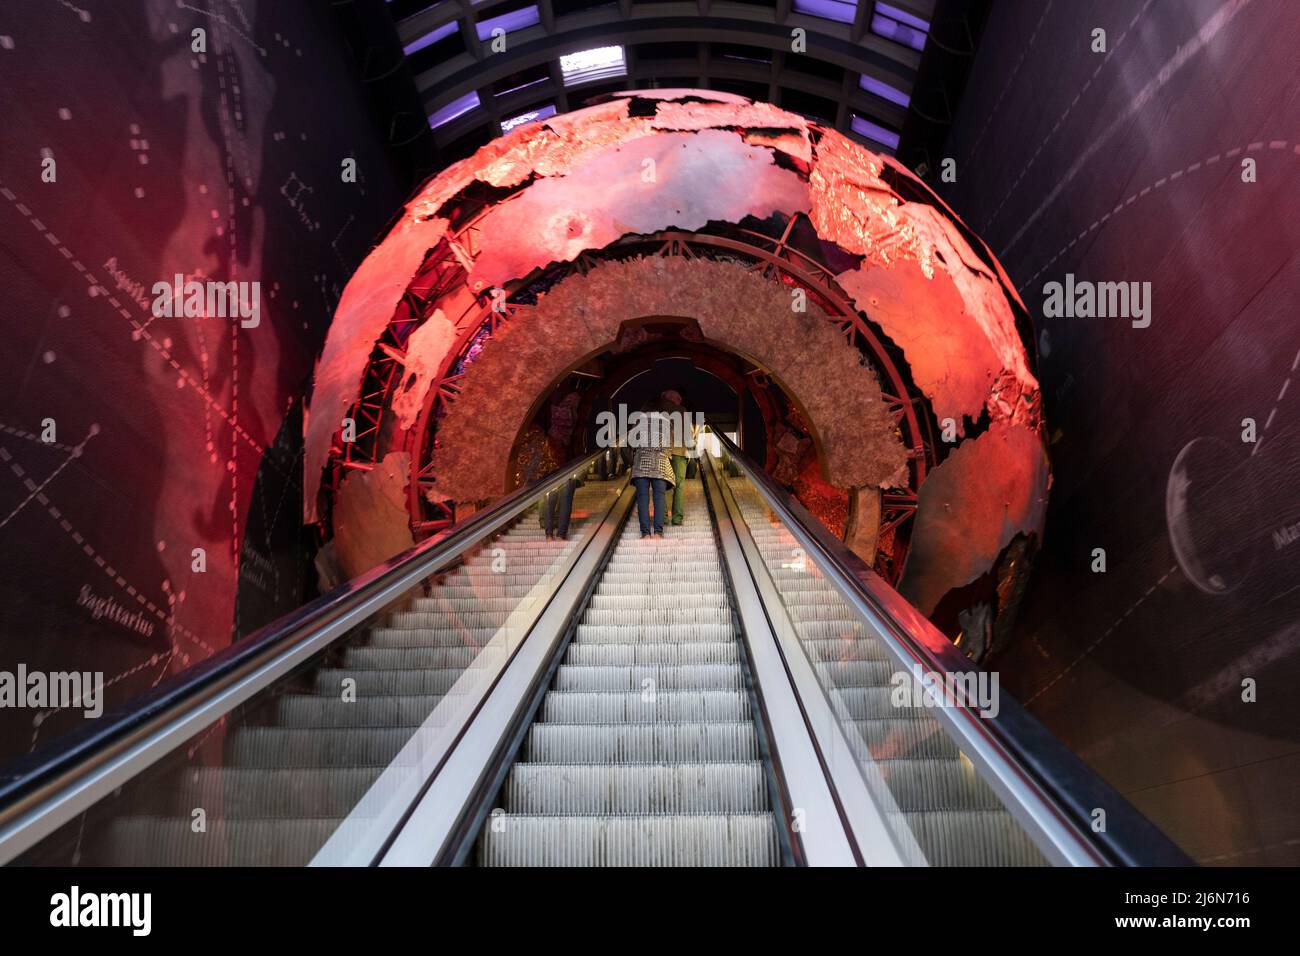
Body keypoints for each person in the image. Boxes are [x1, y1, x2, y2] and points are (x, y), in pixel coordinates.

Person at [630, 399, 675, 538]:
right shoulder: (667, 422)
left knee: (643, 498)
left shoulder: (639, 421)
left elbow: (632, 442)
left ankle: (645, 534)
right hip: (660, 464)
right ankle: (658, 533)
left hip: (641, 463)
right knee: (659, 499)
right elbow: (670, 445)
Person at [659, 389, 695, 526]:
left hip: (662, 452)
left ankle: (662, 518)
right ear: (674, 398)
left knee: (660, 485)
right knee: (679, 486)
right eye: (678, 398)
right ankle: (677, 518)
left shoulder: (657, 409)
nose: (680, 400)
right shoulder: (682, 410)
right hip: (679, 453)